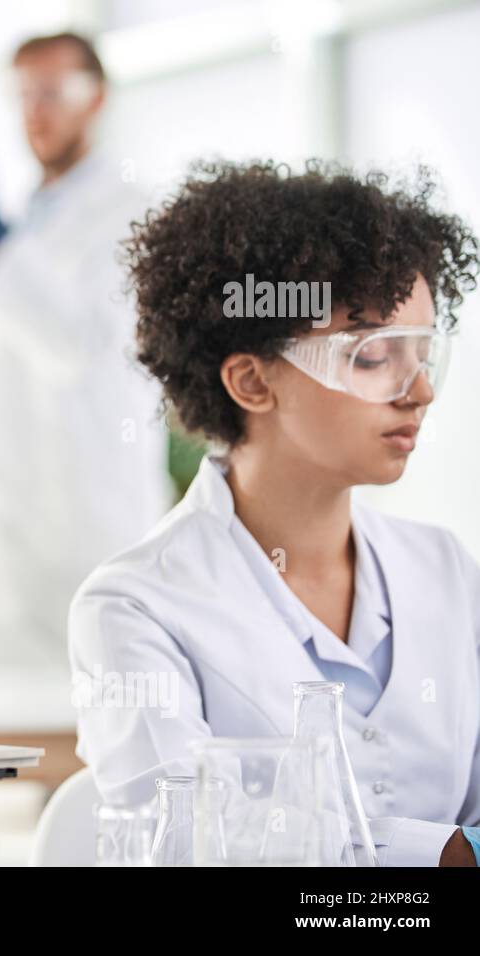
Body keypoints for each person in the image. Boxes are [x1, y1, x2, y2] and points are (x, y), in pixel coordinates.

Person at [69, 159, 480, 866]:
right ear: (253, 381)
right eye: (375, 355)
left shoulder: (443, 569)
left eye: (424, 353)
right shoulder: (134, 608)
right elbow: (186, 848)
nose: (419, 392)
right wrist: (443, 855)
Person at [0, 33, 168, 706]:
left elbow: (79, 341)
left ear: (97, 100)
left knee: (89, 714)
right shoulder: (37, 211)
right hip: (4, 504)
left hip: (81, 508)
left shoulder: (130, 212)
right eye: (24, 95)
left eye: (53, 93)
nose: (35, 113)